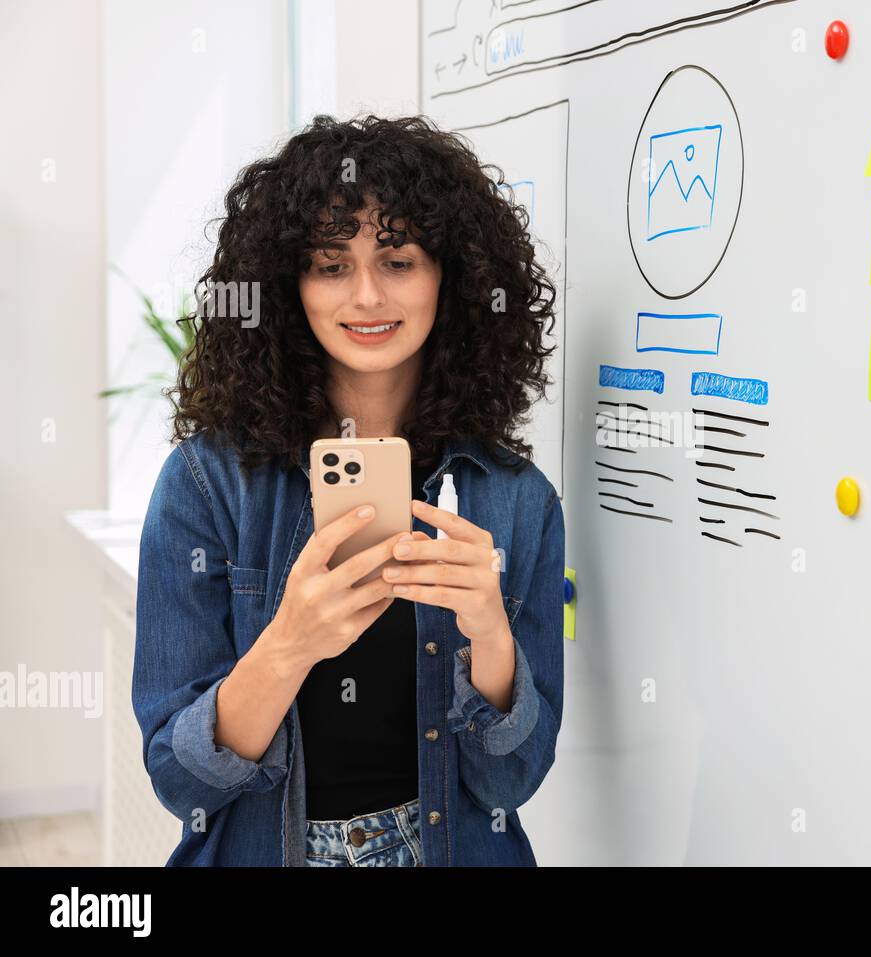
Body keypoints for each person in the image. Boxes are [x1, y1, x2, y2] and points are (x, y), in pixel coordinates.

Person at [131, 114, 565, 866]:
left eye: (397, 259)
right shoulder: (207, 483)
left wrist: (491, 635)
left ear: (449, 274)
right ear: (288, 285)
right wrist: (289, 644)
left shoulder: (516, 499)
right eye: (331, 265)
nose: (366, 295)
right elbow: (180, 780)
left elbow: (510, 781)